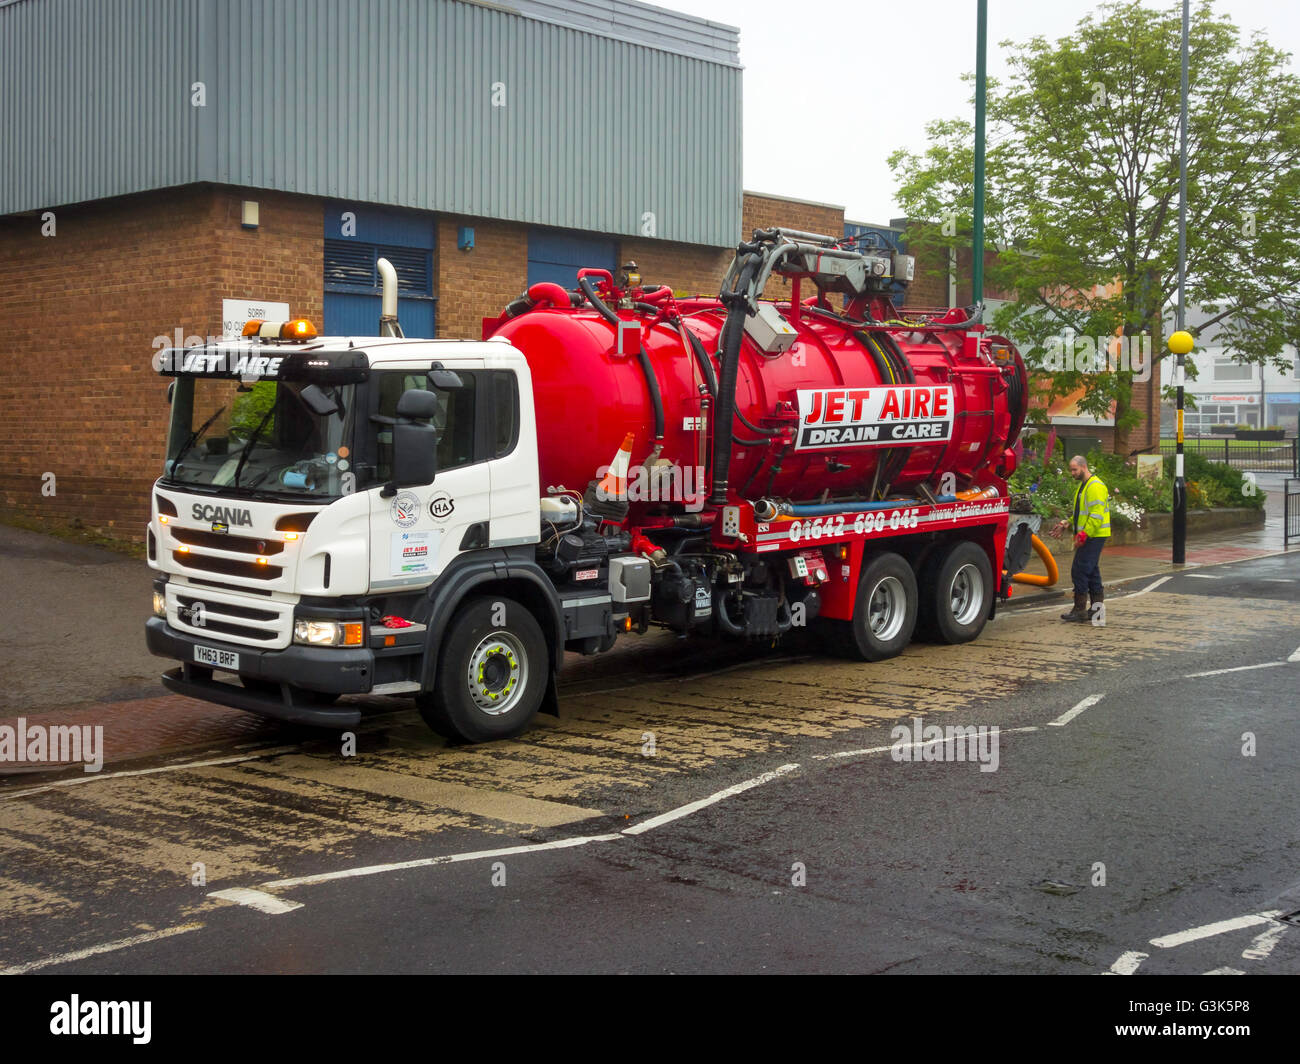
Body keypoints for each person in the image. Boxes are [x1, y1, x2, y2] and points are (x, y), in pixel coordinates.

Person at [1049, 455, 1111, 623]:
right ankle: (1097, 609)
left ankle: (1079, 610)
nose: (1072, 473)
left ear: (1084, 467)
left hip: (1094, 535)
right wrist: (1066, 523)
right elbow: (1081, 513)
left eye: (1074, 469)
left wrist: (1084, 534)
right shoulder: (1084, 486)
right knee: (1091, 570)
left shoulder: (1095, 486)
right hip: (1090, 535)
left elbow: (1096, 515)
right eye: (1071, 470)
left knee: (1080, 570)